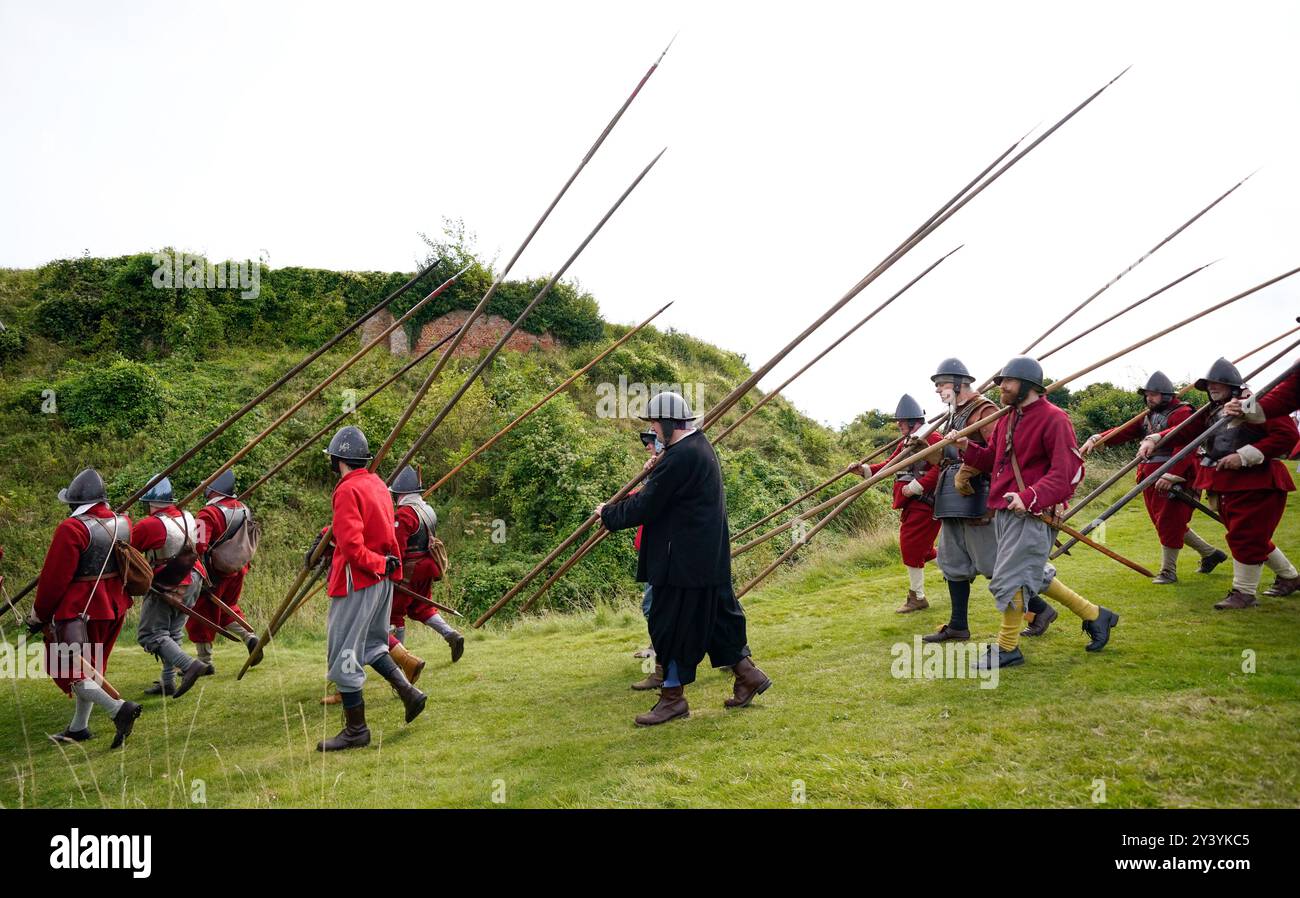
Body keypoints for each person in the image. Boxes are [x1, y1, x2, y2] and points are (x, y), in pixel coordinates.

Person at [597, 392, 771, 726]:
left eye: (653, 424)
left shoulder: (681, 457)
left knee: (670, 625)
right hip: (705, 559)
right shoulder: (696, 448)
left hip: (682, 563)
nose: (651, 431)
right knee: (719, 621)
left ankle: (673, 699)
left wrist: (609, 514)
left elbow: (648, 505)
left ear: (667, 423)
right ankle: (748, 675)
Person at [950, 356, 1119, 669]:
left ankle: (1007, 648)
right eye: (1001, 383)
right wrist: (966, 447)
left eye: (1008, 383)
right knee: (1032, 574)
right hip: (1004, 510)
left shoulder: (1055, 418)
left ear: (1028, 384)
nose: (1002, 388)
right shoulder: (1006, 418)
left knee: (1011, 578)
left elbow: (1066, 471)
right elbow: (994, 462)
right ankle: (1096, 615)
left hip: (1032, 511)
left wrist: (1030, 496)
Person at [1146, 358, 1299, 607]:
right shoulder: (1212, 410)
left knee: (1246, 536)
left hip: (1258, 483)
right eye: (1209, 384)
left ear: (1233, 385)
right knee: (1250, 536)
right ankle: (1290, 577)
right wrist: (1154, 438)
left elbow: (1287, 436)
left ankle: (1244, 593)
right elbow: (1185, 430)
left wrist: (1244, 455)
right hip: (1227, 485)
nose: (1212, 387)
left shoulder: (1253, 402)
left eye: (1218, 383)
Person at [315, 425, 425, 752]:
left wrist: (376, 564)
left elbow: (350, 546)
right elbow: (385, 535)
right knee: (374, 645)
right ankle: (409, 693)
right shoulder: (377, 483)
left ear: (337, 460)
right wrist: (388, 567)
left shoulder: (347, 490)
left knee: (344, 652)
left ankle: (356, 730)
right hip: (382, 579)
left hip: (359, 578)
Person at [1080, 371, 1228, 583]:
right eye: (1147, 395)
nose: (1149, 398)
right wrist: (1097, 438)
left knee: (1169, 522)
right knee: (1165, 523)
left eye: (1154, 394)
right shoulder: (1149, 415)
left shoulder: (1183, 412)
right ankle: (1211, 554)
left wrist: (1172, 473)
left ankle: (1168, 571)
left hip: (1176, 476)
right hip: (1150, 475)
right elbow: (1124, 431)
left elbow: (1186, 445)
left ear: (1166, 395)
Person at [31, 469, 142, 748]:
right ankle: (78, 728)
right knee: (90, 668)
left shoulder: (71, 529)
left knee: (72, 669)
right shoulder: (124, 522)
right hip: (113, 607)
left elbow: (53, 581)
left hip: (78, 612)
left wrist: (39, 614)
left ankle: (118, 709)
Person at [923, 358, 1006, 642]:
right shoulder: (955, 415)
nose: (937, 390)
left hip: (977, 500)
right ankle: (958, 625)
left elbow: (999, 455)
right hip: (951, 500)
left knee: (994, 565)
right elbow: (950, 457)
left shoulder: (984, 411)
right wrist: (926, 449)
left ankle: (1040, 609)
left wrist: (970, 467)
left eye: (941, 384)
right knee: (952, 562)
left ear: (959, 384)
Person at [850, 394, 943, 613]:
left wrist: (916, 487)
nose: (899, 425)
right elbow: (889, 465)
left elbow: (943, 468)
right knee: (924, 550)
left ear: (913, 422)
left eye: (901, 422)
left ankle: (917, 597)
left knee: (910, 546)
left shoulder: (934, 437)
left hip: (925, 502)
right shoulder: (906, 443)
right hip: (910, 503)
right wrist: (863, 470)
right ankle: (957, 571)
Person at [132, 475, 211, 697]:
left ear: (150, 502)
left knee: (151, 634)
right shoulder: (189, 516)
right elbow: (201, 545)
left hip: (170, 582)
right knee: (173, 633)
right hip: (195, 578)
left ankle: (188, 665)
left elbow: (128, 549)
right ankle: (168, 682)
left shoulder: (149, 525)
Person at [388, 465, 463, 663]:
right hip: (427, 567)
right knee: (421, 607)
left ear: (401, 493)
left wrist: (389, 570)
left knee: (395, 614)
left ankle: (402, 662)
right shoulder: (428, 509)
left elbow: (397, 549)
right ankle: (451, 634)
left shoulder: (404, 515)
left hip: (409, 573)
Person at [187, 469, 259, 670]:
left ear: (213, 489)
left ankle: (204, 662)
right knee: (229, 607)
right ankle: (249, 636)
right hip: (238, 569)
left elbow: (199, 546)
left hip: (214, 574)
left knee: (201, 615)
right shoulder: (243, 508)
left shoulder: (207, 513)